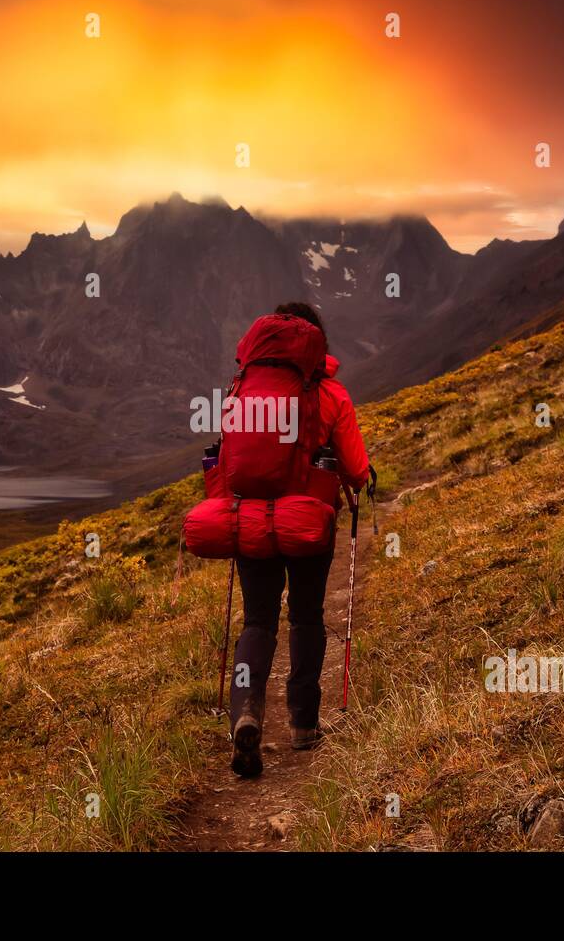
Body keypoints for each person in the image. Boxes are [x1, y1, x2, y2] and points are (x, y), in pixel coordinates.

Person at [230, 301, 370, 778]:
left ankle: (247, 710)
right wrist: (362, 477)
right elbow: (353, 468)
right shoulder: (331, 394)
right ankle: (303, 725)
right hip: (308, 522)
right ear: (316, 344)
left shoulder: (244, 389)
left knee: (258, 620)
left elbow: (232, 461)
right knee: (307, 615)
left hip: (252, 519)